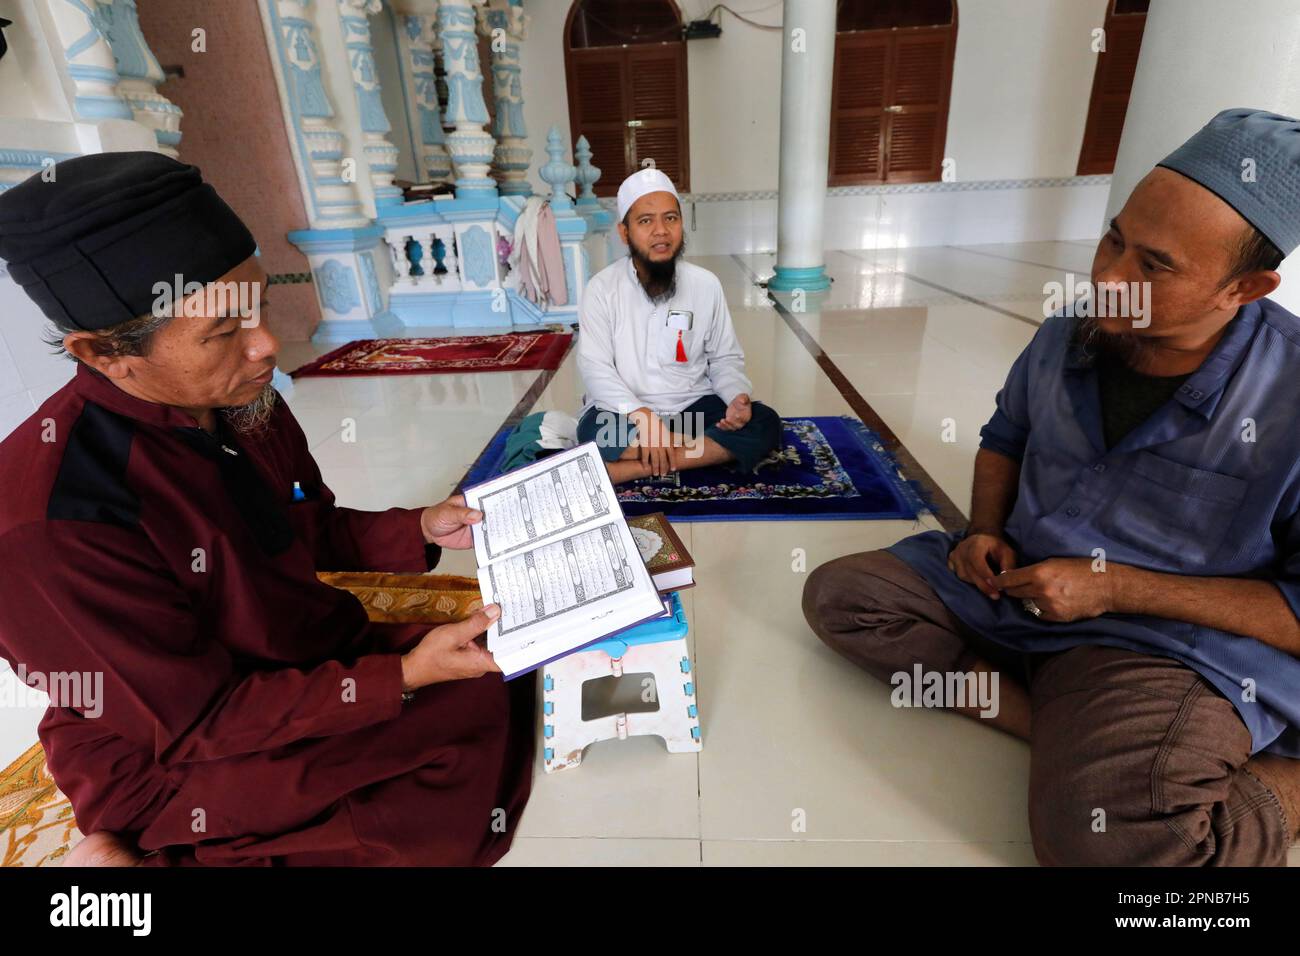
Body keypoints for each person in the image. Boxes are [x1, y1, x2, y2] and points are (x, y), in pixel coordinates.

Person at [0, 151, 534, 866]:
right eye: (222, 333)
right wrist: (400, 679)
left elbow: (304, 529)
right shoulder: (49, 524)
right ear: (103, 353)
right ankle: (149, 850)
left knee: (507, 672)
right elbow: (192, 721)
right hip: (173, 747)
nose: (266, 346)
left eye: (257, 308)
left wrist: (419, 525)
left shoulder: (241, 401)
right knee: (444, 740)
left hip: (288, 658)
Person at [803, 108, 1300, 866]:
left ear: (1245, 286)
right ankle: (1061, 721)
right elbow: (1006, 437)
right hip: (1021, 588)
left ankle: (1269, 778)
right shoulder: (1071, 333)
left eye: (1154, 266)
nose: (1108, 279)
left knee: (1119, 852)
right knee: (845, 599)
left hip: (1161, 647)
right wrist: (981, 533)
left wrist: (1113, 590)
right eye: (1113, 239)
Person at [577, 168, 782, 484]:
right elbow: (595, 369)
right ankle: (697, 453)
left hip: (690, 411)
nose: (661, 230)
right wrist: (642, 416)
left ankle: (633, 467)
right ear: (624, 232)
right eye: (646, 221)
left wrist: (736, 396)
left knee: (764, 422)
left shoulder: (705, 285)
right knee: (593, 432)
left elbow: (725, 359)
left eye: (670, 218)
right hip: (622, 415)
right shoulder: (602, 289)